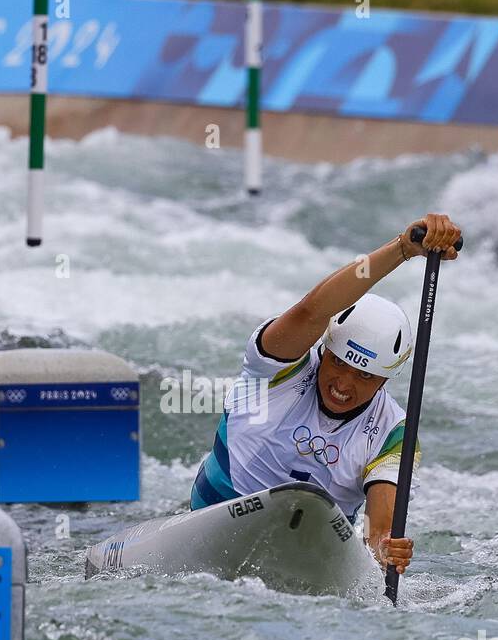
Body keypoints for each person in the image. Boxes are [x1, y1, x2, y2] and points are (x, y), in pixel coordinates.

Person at [191, 213, 461, 575]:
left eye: (364, 375)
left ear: (385, 379)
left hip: (305, 559)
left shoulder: (395, 434)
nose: (344, 384)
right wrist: (401, 250)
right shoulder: (277, 368)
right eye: (339, 364)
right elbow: (312, 310)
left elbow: (377, 531)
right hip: (212, 526)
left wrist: (385, 550)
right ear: (325, 348)